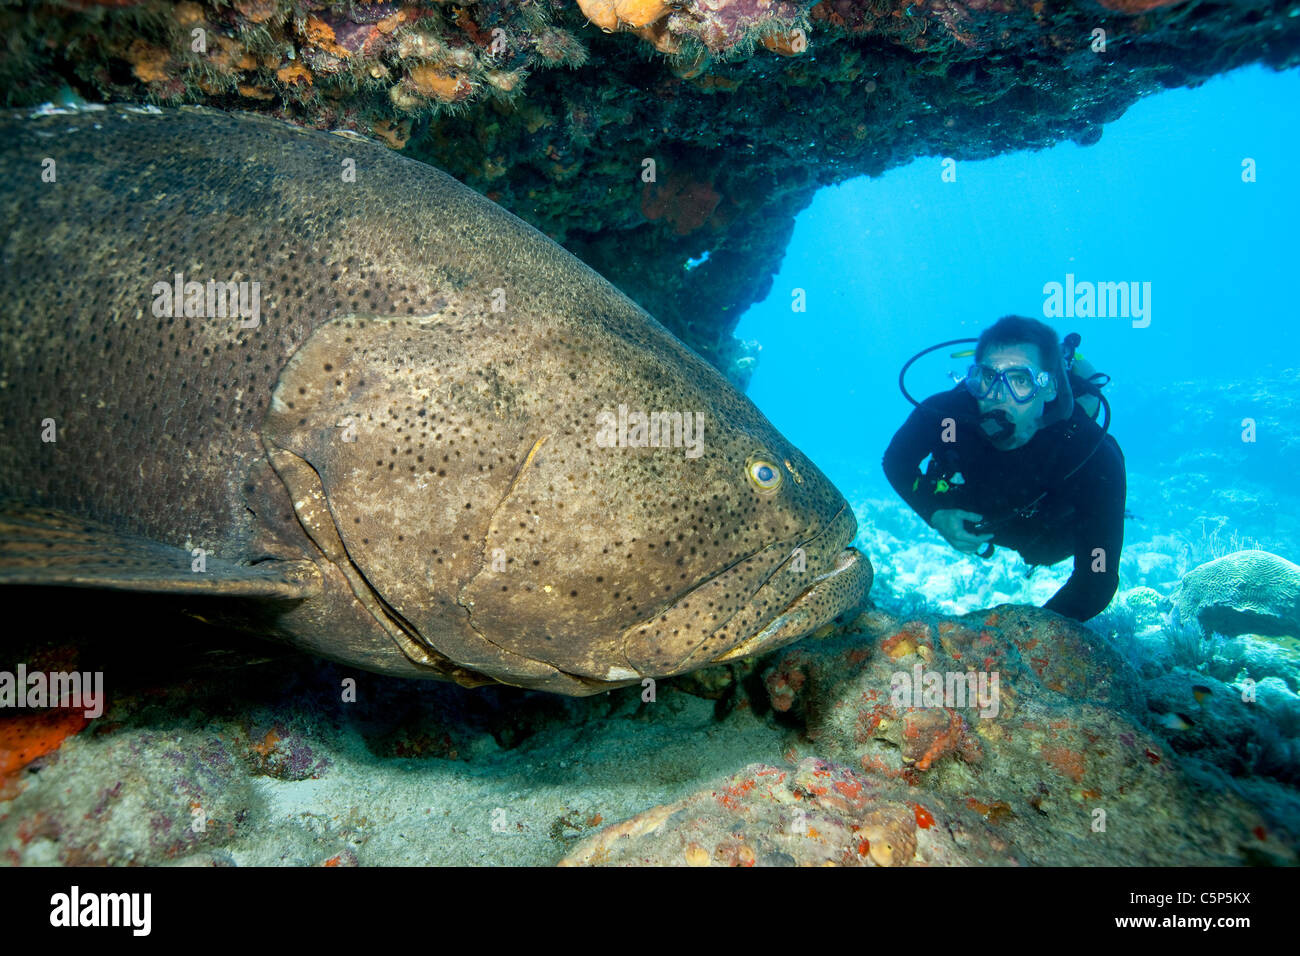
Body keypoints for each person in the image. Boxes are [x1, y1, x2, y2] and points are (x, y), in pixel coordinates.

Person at [883, 315, 1126, 622]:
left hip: (1047, 538)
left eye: (1020, 380)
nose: (997, 395)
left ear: (1049, 387)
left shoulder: (1091, 453)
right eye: (987, 376)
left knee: (1054, 546)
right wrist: (934, 512)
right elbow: (895, 462)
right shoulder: (946, 415)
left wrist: (1021, 637)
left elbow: (1097, 580)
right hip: (987, 514)